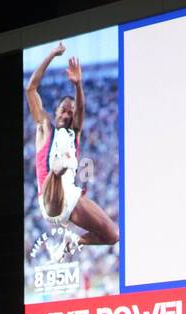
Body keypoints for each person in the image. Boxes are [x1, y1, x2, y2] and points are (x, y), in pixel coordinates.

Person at [25, 42, 120, 245]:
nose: (67, 114)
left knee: (113, 235)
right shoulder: (44, 128)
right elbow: (31, 88)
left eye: (70, 112)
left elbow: (81, 108)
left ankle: (74, 242)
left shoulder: (74, 133)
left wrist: (78, 84)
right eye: (63, 110)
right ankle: (57, 170)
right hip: (50, 199)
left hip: (71, 198)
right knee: (58, 169)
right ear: (56, 110)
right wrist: (51, 54)